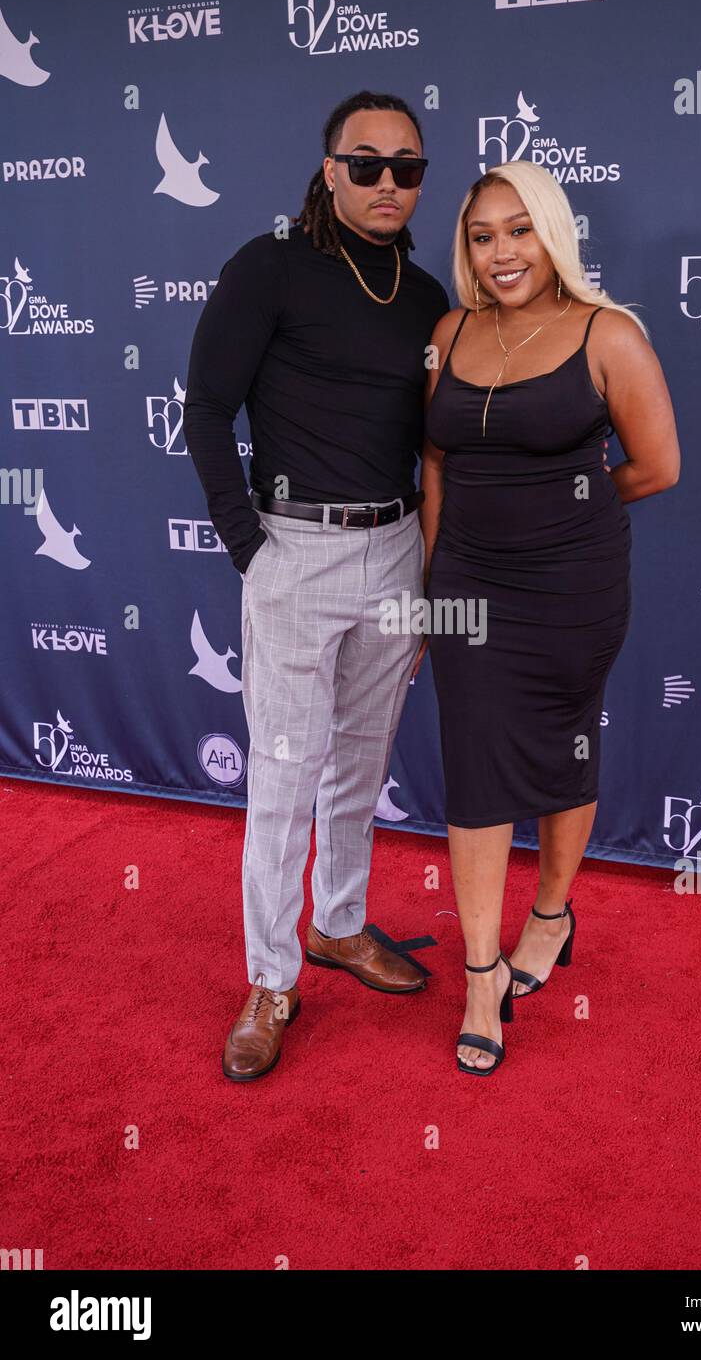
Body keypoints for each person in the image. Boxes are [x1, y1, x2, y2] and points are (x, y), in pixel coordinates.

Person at [183, 90, 450, 1081]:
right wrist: (251, 551)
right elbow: (206, 410)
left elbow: (432, 445)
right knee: (284, 776)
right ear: (330, 169)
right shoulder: (269, 268)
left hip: (395, 552)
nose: (389, 183)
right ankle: (269, 974)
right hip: (294, 551)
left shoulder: (424, 296)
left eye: (408, 167)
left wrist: (425, 568)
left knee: (357, 764)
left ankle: (338, 923)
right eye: (368, 163)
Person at [421, 160, 679, 1076]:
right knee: (477, 765)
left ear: (553, 234)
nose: (501, 252)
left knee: (567, 743)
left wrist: (563, 510)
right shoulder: (448, 333)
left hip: (573, 588)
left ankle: (552, 913)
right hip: (467, 583)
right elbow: (438, 465)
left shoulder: (608, 334)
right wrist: (431, 589)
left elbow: (655, 467)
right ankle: (481, 973)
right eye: (483, 235)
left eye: (519, 230)